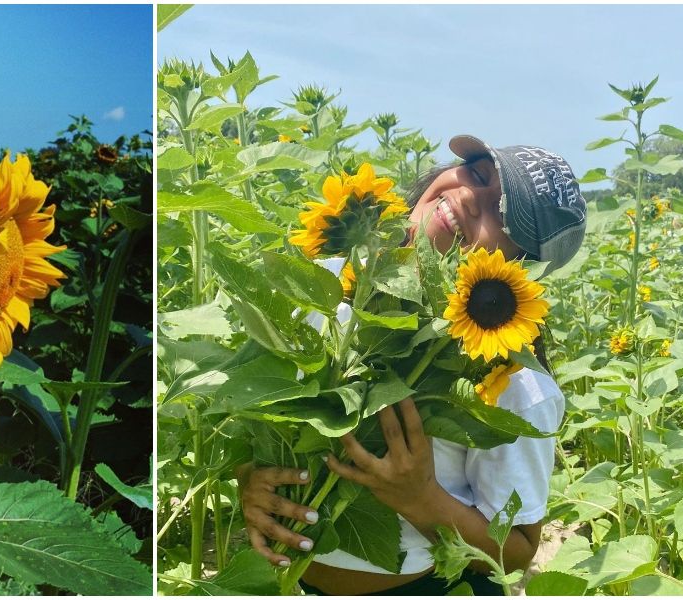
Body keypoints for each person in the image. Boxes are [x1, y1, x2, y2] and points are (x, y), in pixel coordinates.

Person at [237, 135, 588, 595]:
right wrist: (250, 481)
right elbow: (256, 415)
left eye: (502, 215)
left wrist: (420, 498)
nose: (467, 197)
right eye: (477, 174)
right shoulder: (330, 286)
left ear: (520, 268)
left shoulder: (509, 382)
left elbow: (518, 548)